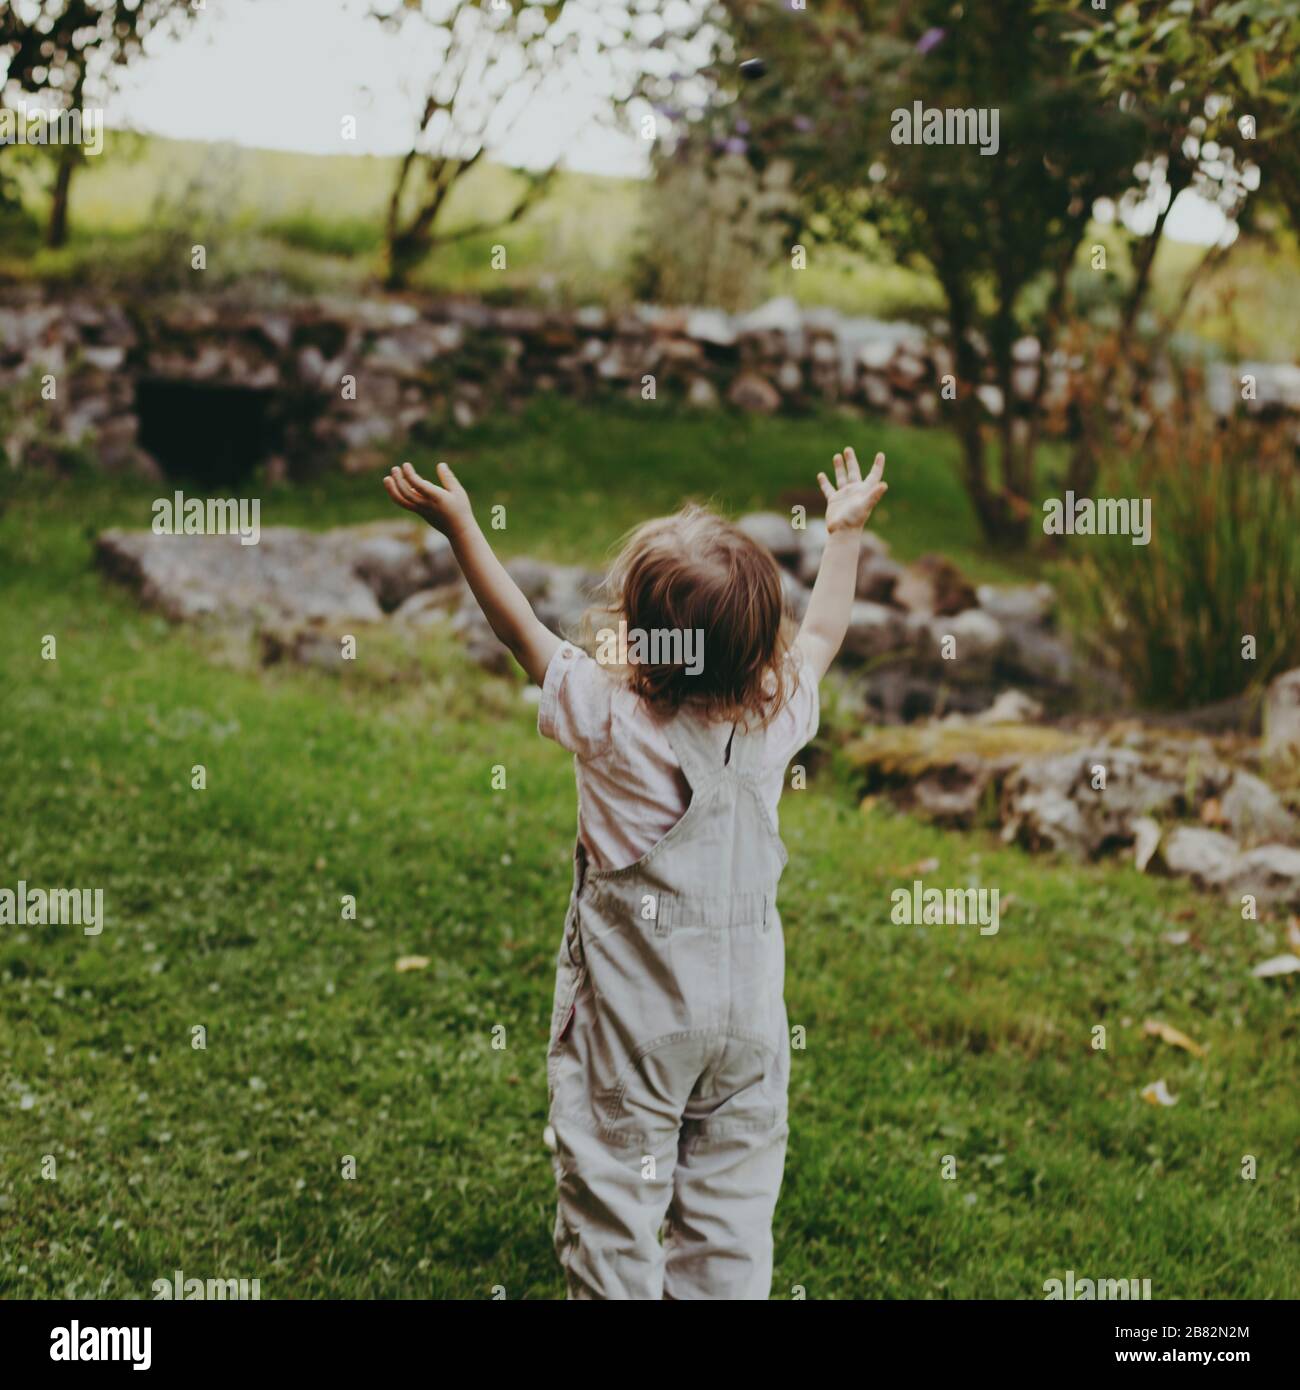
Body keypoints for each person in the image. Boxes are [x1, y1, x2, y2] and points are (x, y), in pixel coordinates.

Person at [383, 446, 888, 1299]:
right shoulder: (778, 713)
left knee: (615, 1205)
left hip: (638, 1034)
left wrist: (463, 528)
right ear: (757, 642)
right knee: (731, 1219)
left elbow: (520, 633)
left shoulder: (614, 720)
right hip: (750, 1034)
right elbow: (829, 632)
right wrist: (842, 536)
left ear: (645, 639)